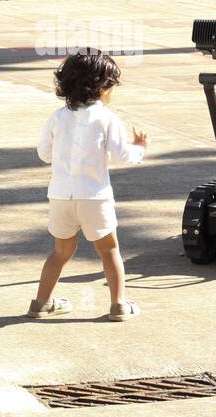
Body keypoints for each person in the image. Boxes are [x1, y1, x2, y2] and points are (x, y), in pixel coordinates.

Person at [31, 51, 146, 322]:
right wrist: (140, 148)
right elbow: (122, 156)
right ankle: (118, 304)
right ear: (102, 87)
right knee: (109, 250)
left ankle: (41, 302)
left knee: (60, 252)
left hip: (60, 195)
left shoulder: (58, 117)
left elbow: (44, 154)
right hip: (94, 196)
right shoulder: (106, 118)